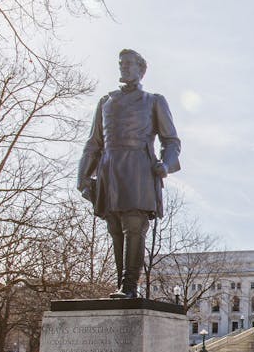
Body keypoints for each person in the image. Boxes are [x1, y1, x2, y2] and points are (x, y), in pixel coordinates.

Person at [77, 49, 181, 298]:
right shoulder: (106, 102)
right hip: (109, 168)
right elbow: (94, 143)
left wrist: (165, 166)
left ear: (141, 69)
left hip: (139, 168)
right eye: (121, 63)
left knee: (133, 226)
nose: (124, 67)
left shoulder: (154, 100)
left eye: (129, 64)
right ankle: (121, 284)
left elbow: (172, 141)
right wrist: (82, 176)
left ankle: (129, 285)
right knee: (114, 227)